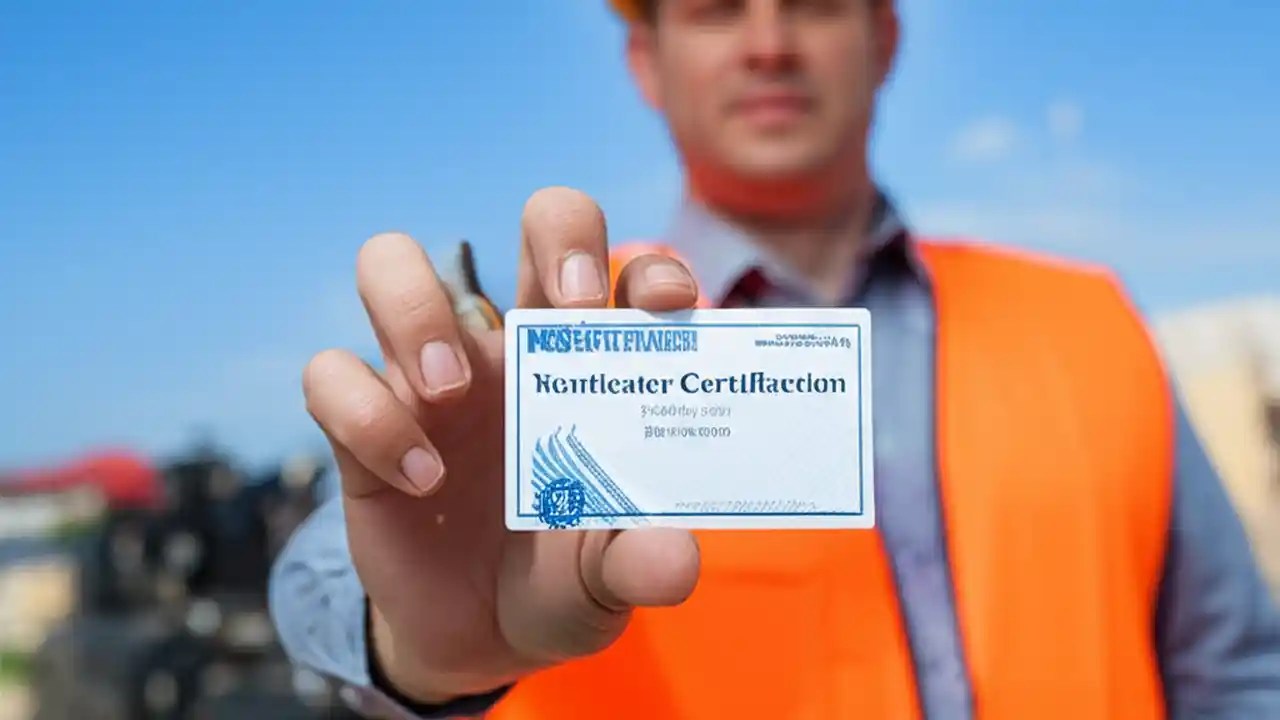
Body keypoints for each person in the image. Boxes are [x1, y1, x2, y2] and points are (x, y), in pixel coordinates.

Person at [268, 0, 1280, 717]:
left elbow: (1231, 672)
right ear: (645, 61)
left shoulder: (1089, 318)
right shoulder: (528, 363)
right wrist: (415, 656)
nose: (767, 43)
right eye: (713, 8)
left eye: (812, 2)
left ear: (882, 36)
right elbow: (333, 577)